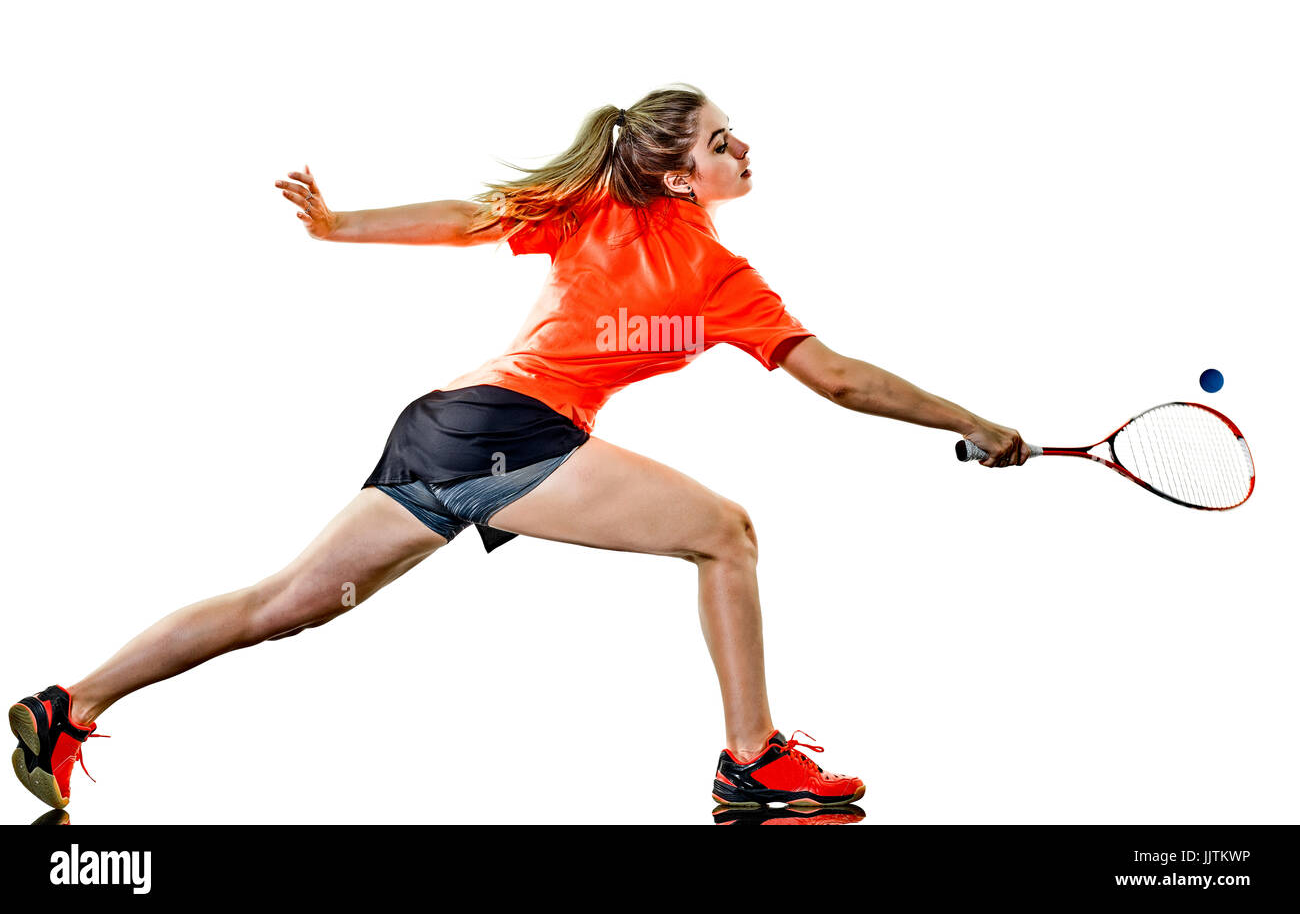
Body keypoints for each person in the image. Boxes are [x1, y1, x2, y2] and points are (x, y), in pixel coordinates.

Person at [9, 83, 1029, 813]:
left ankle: (71, 701)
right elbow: (472, 218)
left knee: (288, 605)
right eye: (726, 140)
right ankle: (754, 756)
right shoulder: (606, 207)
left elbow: (839, 374)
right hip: (501, 425)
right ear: (678, 167)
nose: (745, 150)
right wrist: (339, 226)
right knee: (724, 532)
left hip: (448, 428)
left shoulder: (726, 281)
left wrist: (965, 419)